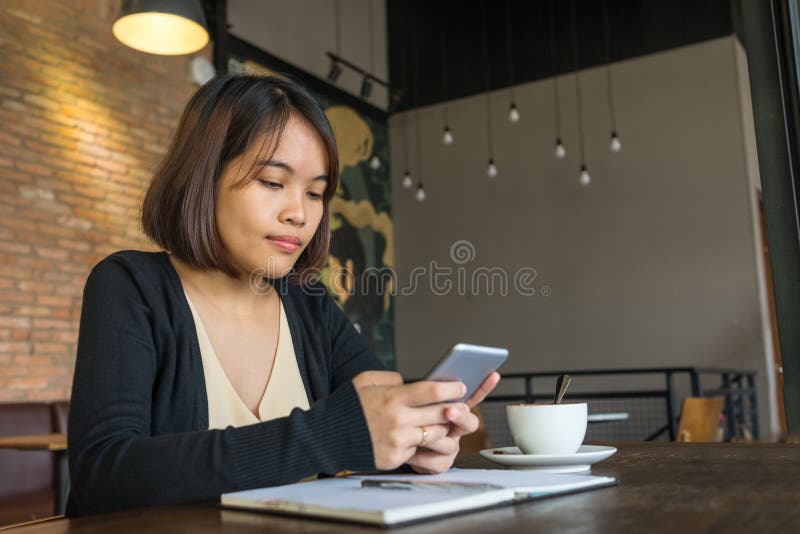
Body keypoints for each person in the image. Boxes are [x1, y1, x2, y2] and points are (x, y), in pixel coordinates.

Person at [66, 75, 500, 516]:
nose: (300, 214)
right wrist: (326, 435)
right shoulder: (130, 286)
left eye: (315, 193)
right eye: (273, 183)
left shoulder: (309, 304)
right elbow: (101, 475)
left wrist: (417, 443)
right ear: (204, 176)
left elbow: (370, 422)